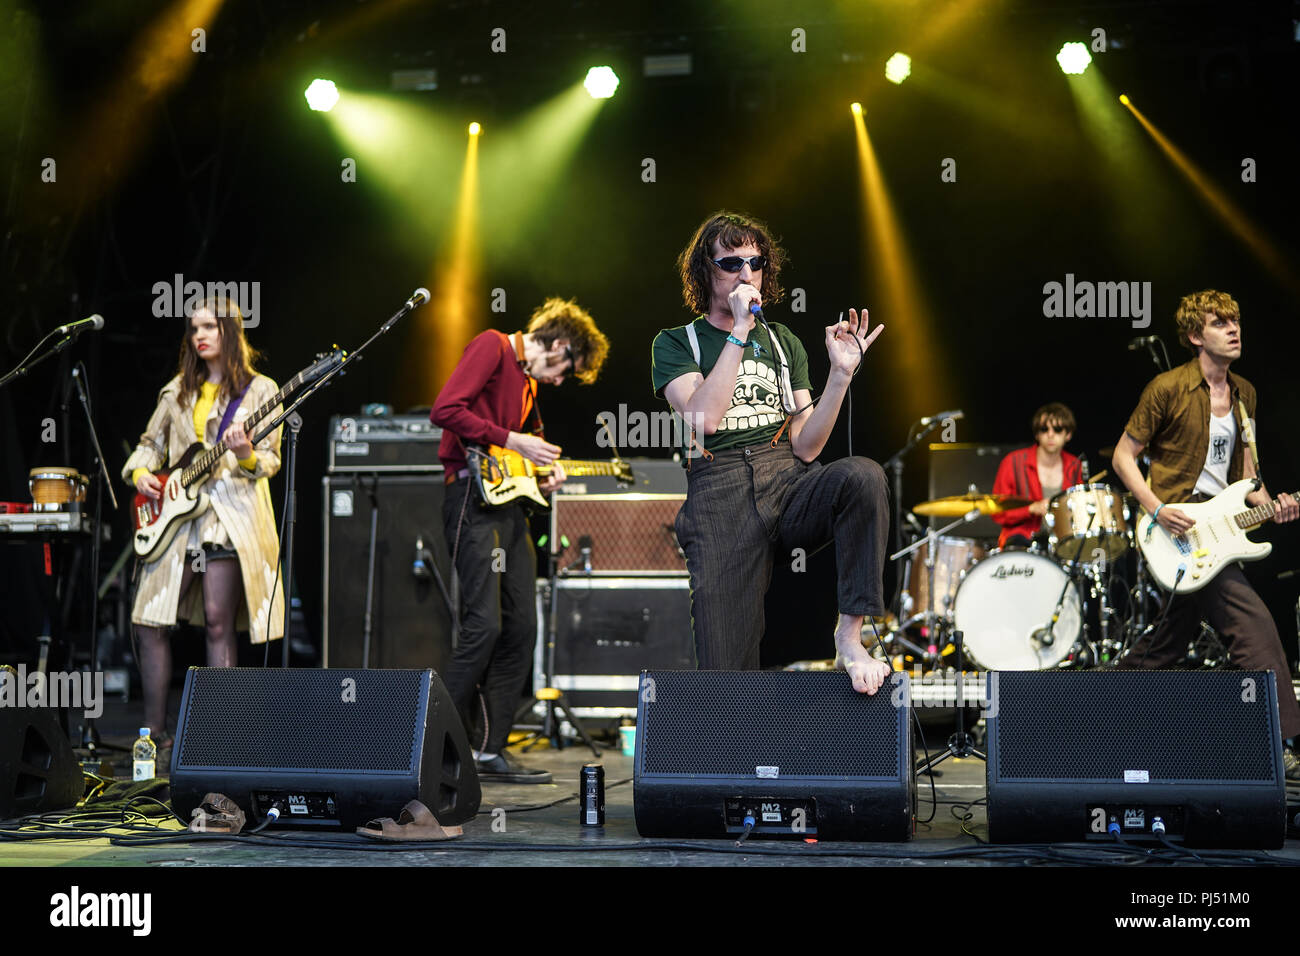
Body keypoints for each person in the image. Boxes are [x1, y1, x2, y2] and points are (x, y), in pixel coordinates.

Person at [650, 211, 891, 694]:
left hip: (785, 479)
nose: (746, 273)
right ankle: (731, 762)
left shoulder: (783, 343)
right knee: (726, 676)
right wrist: (739, 330)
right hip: (721, 495)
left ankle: (849, 634)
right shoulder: (678, 342)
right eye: (731, 262)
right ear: (705, 272)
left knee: (863, 475)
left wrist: (840, 377)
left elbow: (807, 445)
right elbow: (704, 420)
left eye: (754, 262)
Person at [1111, 289, 1300, 776]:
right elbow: (1122, 458)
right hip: (1176, 527)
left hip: (1220, 529)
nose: (1234, 329)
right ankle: (1284, 744)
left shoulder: (1244, 394)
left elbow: (1247, 475)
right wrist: (1156, 510)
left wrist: (1271, 505)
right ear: (1196, 336)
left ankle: (1100, 708)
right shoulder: (1167, 388)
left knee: (1165, 645)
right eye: (1220, 323)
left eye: (1236, 321)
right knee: (1254, 629)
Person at [431, 298, 609, 783]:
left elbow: (524, 454)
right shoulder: (492, 346)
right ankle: (429, 745)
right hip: (470, 498)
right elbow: (445, 409)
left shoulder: (529, 383)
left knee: (522, 629)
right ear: (559, 343)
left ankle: (489, 750)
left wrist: (542, 475)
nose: (559, 380)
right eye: (564, 369)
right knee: (483, 626)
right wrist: (513, 440)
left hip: (509, 510)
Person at [123, 296, 285, 751]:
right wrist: (141, 474)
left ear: (230, 331)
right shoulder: (178, 390)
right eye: (194, 328)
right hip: (177, 518)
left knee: (218, 622)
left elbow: (268, 460)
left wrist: (245, 453)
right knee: (148, 620)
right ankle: (153, 736)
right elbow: (149, 445)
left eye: (210, 326)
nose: (200, 335)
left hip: (229, 517)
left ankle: (220, 736)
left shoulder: (258, 391)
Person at [991, 402, 1084, 549]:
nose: (1050, 434)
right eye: (1044, 429)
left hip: (1063, 542)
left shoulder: (1075, 465)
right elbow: (997, 511)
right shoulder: (1013, 462)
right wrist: (1031, 509)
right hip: (1021, 543)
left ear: (1068, 434)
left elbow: (1080, 509)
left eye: (1058, 429)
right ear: (1037, 434)